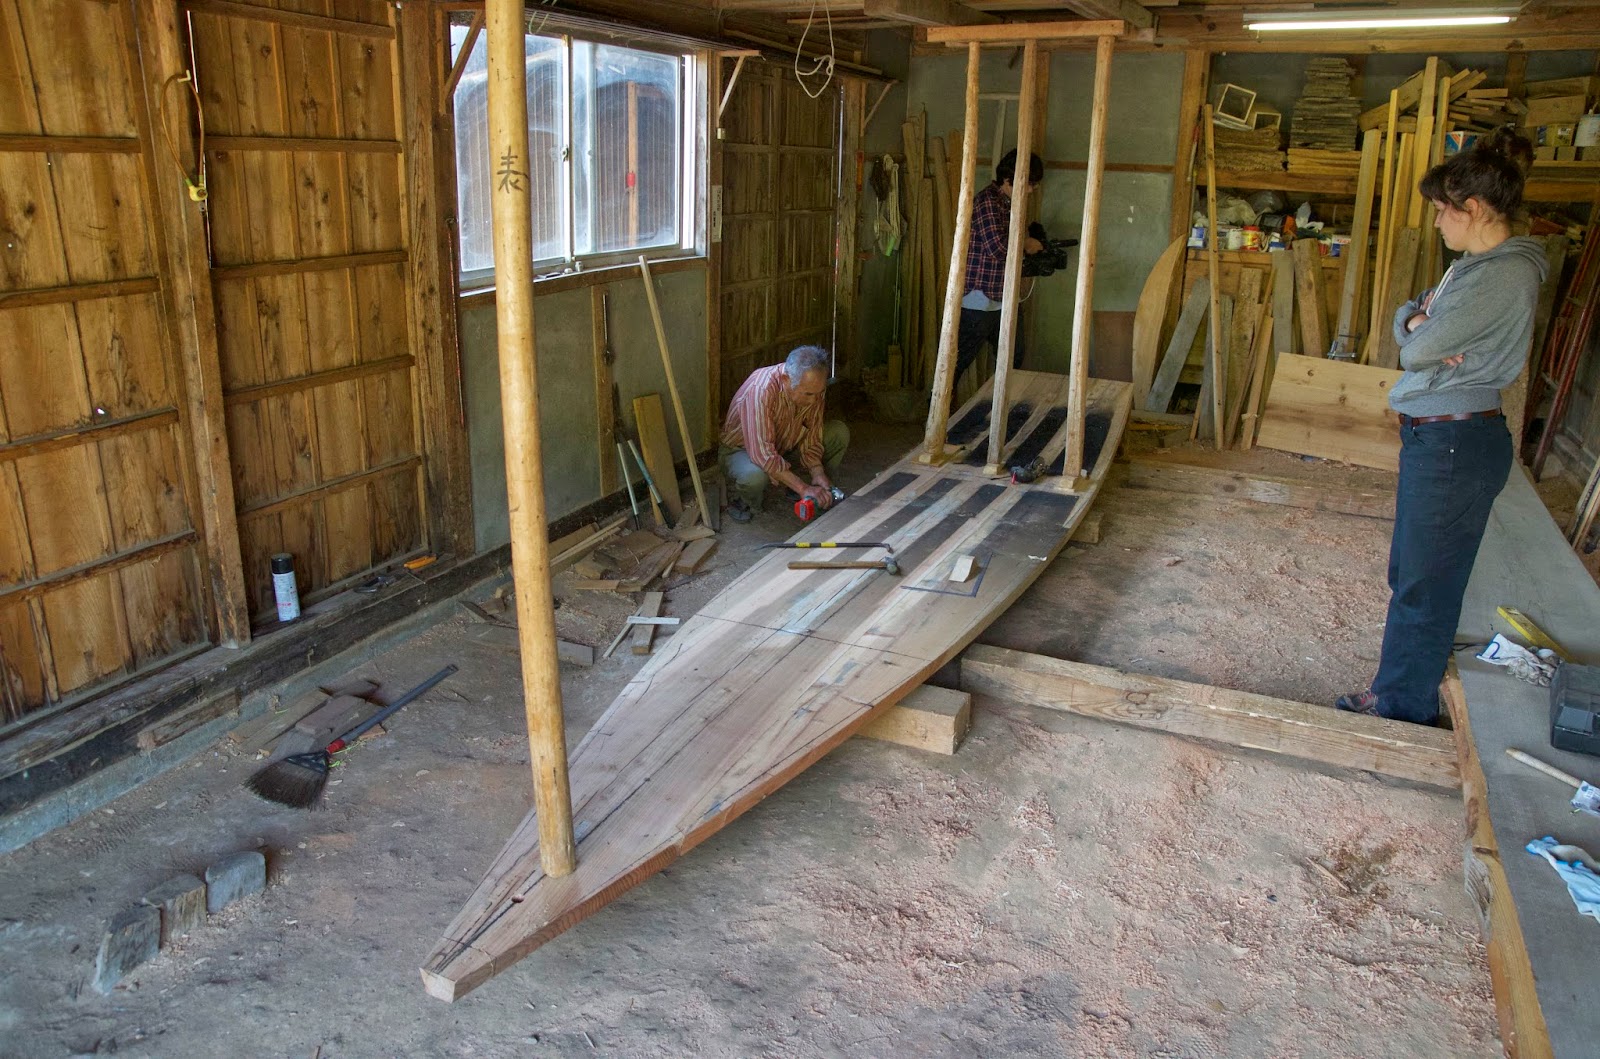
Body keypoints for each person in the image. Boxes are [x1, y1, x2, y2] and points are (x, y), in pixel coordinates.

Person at [1336, 126, 1546, 726]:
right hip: (1440, 435)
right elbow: (1410, 319)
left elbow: (1414, 351)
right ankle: (1399, 691)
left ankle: (1404, 709)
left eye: (1439, 210)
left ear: (1471, 208)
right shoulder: (1472, 268)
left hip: (1456, 439)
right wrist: (1419, 323)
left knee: (1427, 583)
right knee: (1411, 573)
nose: (1435, 222)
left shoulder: (1502, 274)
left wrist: (1422, 332)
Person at [719, 345, 850, 523]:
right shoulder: (761, 389)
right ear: (786, 380)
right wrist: (803, 488)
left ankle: (809, 488)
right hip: (742, 450)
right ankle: (745, 501)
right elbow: (763, 454)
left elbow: (812, 437)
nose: (814, 400)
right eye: (808, 394)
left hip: (783, 446)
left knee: (838, 433)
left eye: (818, 394)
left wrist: (817, 472)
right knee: (754, 477)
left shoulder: (814, 386)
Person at [954, 148, 1046, 389]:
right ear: (1008, 179)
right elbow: (997, 248)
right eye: (1028, 184)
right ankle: (937, 407)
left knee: (1014, 357)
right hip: (979, 299)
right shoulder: (988, 203)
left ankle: (1000, 406)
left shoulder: (1009, 204)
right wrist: (1026, 244)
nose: (1031, 190)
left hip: (1004, 298)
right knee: (956, 362)